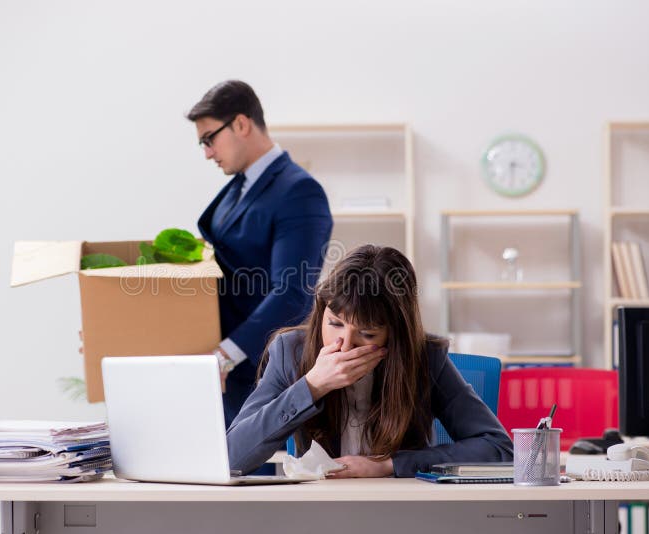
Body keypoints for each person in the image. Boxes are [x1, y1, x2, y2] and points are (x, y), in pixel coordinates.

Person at [226, 245, 514, 478]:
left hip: (402, 510)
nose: (344, 344)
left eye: (367, 333)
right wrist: (311, 386)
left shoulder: (425, 356)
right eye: (335, 323)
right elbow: (231, 457)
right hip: (321, 512)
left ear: (394, 335)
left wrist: (390, 464)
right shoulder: (290, 352)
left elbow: (498, 448)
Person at [188, 80, 333, 426]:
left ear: (241, 124)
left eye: (209, 138)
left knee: (255, 478)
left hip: (261, 374)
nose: (207, 152)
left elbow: (292, 294)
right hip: (224, 372)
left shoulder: (299, 191)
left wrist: (225, 355)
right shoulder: (237, 188)